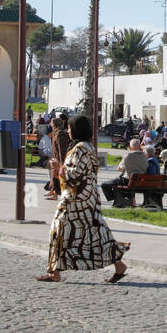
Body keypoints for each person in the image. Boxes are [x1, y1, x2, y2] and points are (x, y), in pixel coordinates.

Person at [37, 115, 130, 284]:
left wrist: (59, 169)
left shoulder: (81, 149)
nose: (69, 131)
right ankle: (118, 265)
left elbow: (75, 176)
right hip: (86, 199)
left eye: (71, 128)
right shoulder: (87, 147)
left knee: (59, 231)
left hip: (76, 201)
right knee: (94, 234)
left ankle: (55, 272)